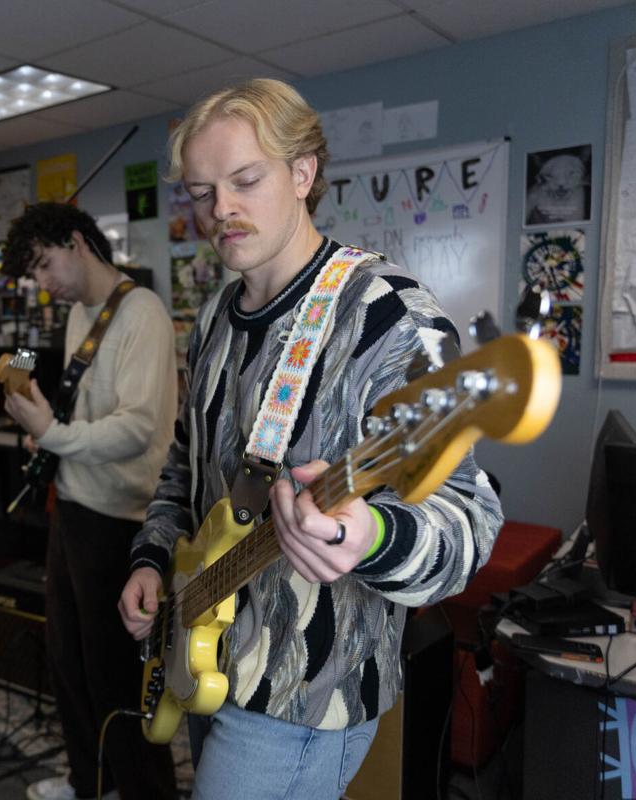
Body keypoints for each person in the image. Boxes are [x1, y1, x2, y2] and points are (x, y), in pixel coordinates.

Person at [117, 78, 504, 799]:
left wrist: (375, 537)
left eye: (245, 180)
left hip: (299, 699)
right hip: (201, 654)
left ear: (303, 172)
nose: (219, 210)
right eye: (202, 192)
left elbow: (471, 521)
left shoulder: (391, 319)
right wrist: (151, 558)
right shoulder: (211, 319)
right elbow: (184, 463)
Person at [0, 202, 179, 800]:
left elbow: (136, 427)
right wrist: (45, 424)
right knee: (69, 660)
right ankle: (90, 780)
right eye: (36, 275)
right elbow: (88, 415)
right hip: (73, 505)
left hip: (123, 521)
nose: (44, 284)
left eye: (47, 265)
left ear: (77, 242)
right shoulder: (79, 314)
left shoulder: (143, 313)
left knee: (117, 674)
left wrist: (54, 434)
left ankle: (142, 790)